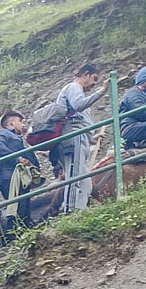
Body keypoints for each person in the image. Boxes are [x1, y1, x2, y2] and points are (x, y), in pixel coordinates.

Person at [49, 62, 103, 212]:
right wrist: (102, 91)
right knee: (76, 177)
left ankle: (79, 210)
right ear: (86, 74)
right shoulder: (74, 87)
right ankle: (70, 211)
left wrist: (92, 137)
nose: (93, 84)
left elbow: (80, 116)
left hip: (80, 137)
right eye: (94, 78)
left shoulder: (75, 90)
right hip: (74, 138)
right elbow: (79, 105)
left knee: (85, 181)